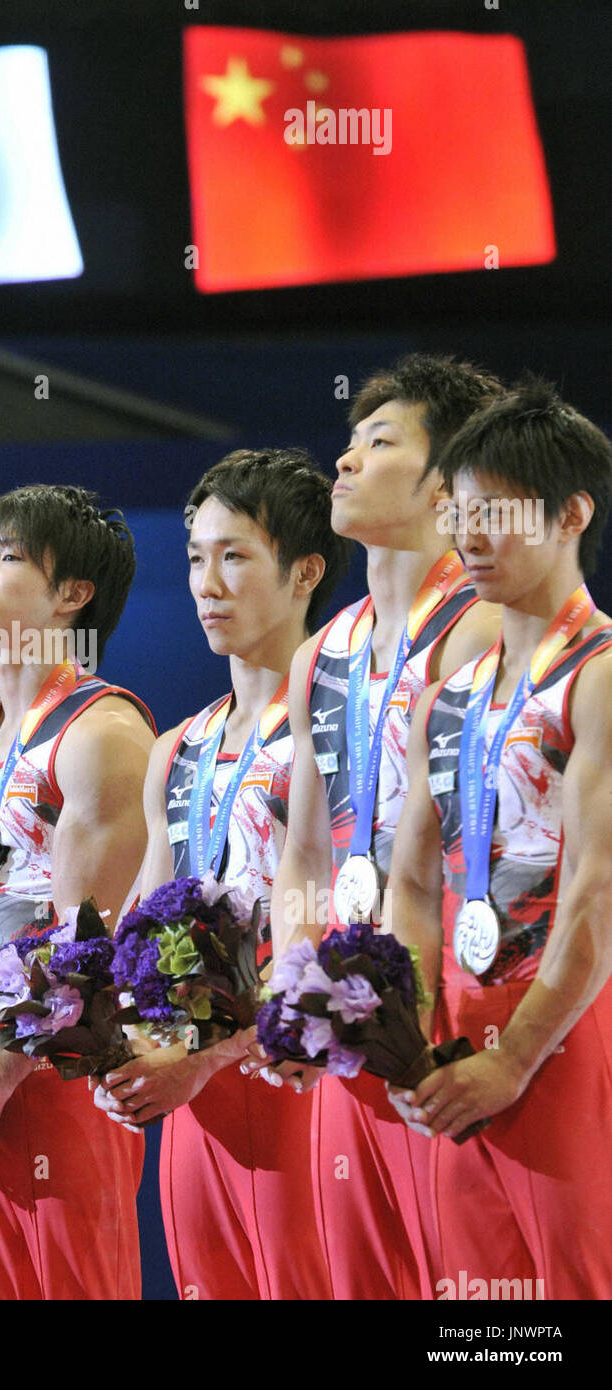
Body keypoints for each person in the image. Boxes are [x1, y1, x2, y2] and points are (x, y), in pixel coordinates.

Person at [268, 354, 505, 1299]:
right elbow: (304, 851)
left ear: (446, 481)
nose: (345, 460)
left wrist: (424, 1016)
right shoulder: (319, 654)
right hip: (351, 1004)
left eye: (378, 442)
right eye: (348, 441)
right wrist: (295, 984)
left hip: (455, 999)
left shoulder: (485, 627)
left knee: (477, 1295)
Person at [94, 449, 348, 1299]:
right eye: (196, 558)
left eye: (234, 556)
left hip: (302, 1085)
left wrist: (208, 1055)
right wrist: (117, 1036)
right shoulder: (178, 748)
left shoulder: (336, 725)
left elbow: (341, 933)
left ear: (304, 570)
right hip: (195, 1105)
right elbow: (140, 930)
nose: (207, 582)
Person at [0, 484, 155, 1300]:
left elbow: (85, 955)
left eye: (8, 558)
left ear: (72, 594)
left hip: (61, 1077)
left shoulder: (102, 735)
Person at [386, 381, 612, 1298]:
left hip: (570, 1026)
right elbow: (406, 884)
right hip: (457, 1037)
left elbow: (598, 891)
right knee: (483, 1325)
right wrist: (405, 1031)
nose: (468, 535)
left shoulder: (598, 675)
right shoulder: (444, 698)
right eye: (459, 512)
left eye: (496, 513)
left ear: (569, 515)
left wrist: (517, 1057)